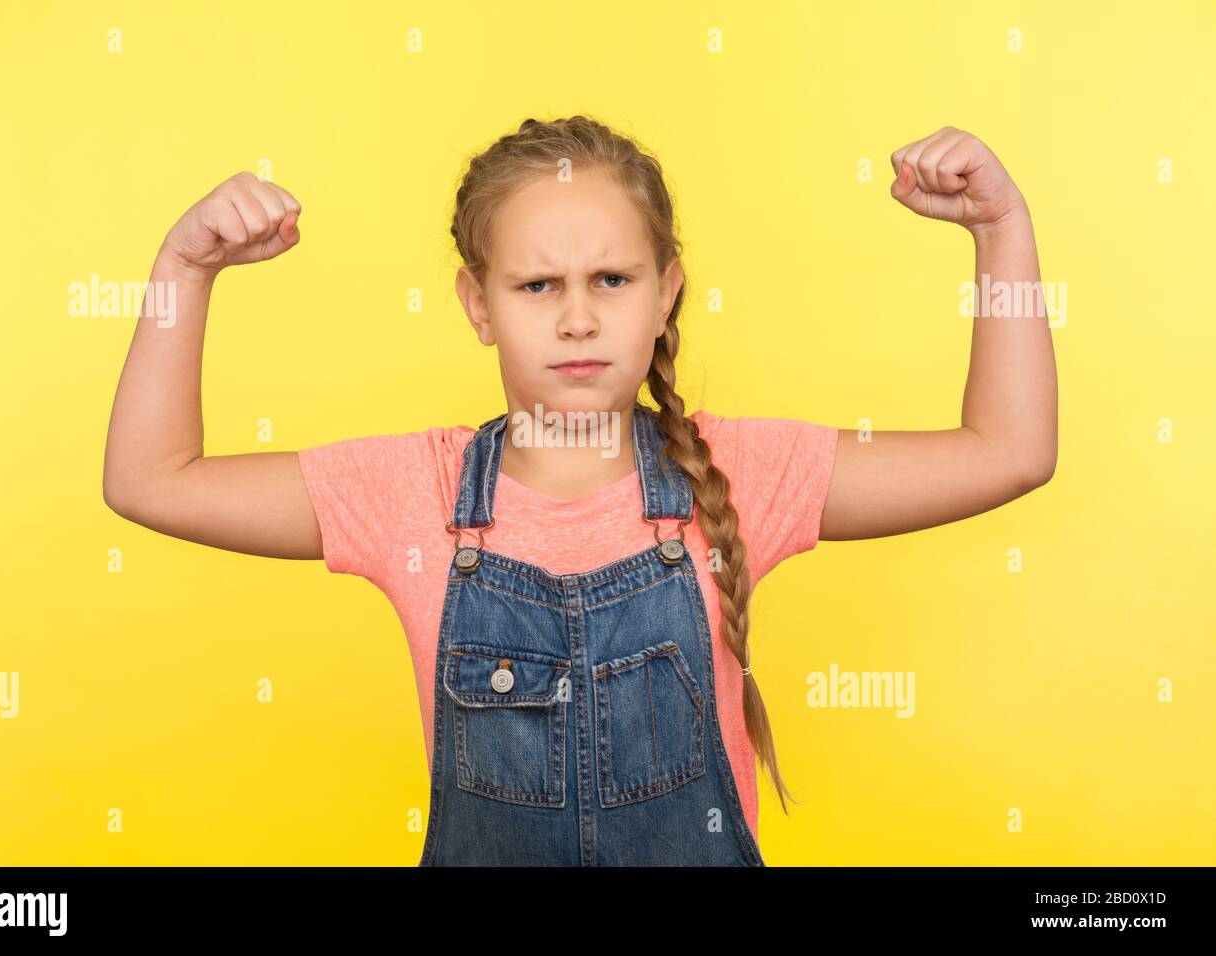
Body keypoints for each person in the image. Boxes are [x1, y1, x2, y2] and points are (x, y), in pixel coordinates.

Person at [103, 115, 1057, 865]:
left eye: (611, 278)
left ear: (666, 291)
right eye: (535, 286)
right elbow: (152, 481)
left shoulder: (739, 475)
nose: (576, 318)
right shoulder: (407, 492)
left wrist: (1001, 232)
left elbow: (1007, 451)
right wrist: (183, 273)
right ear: (478, 304)